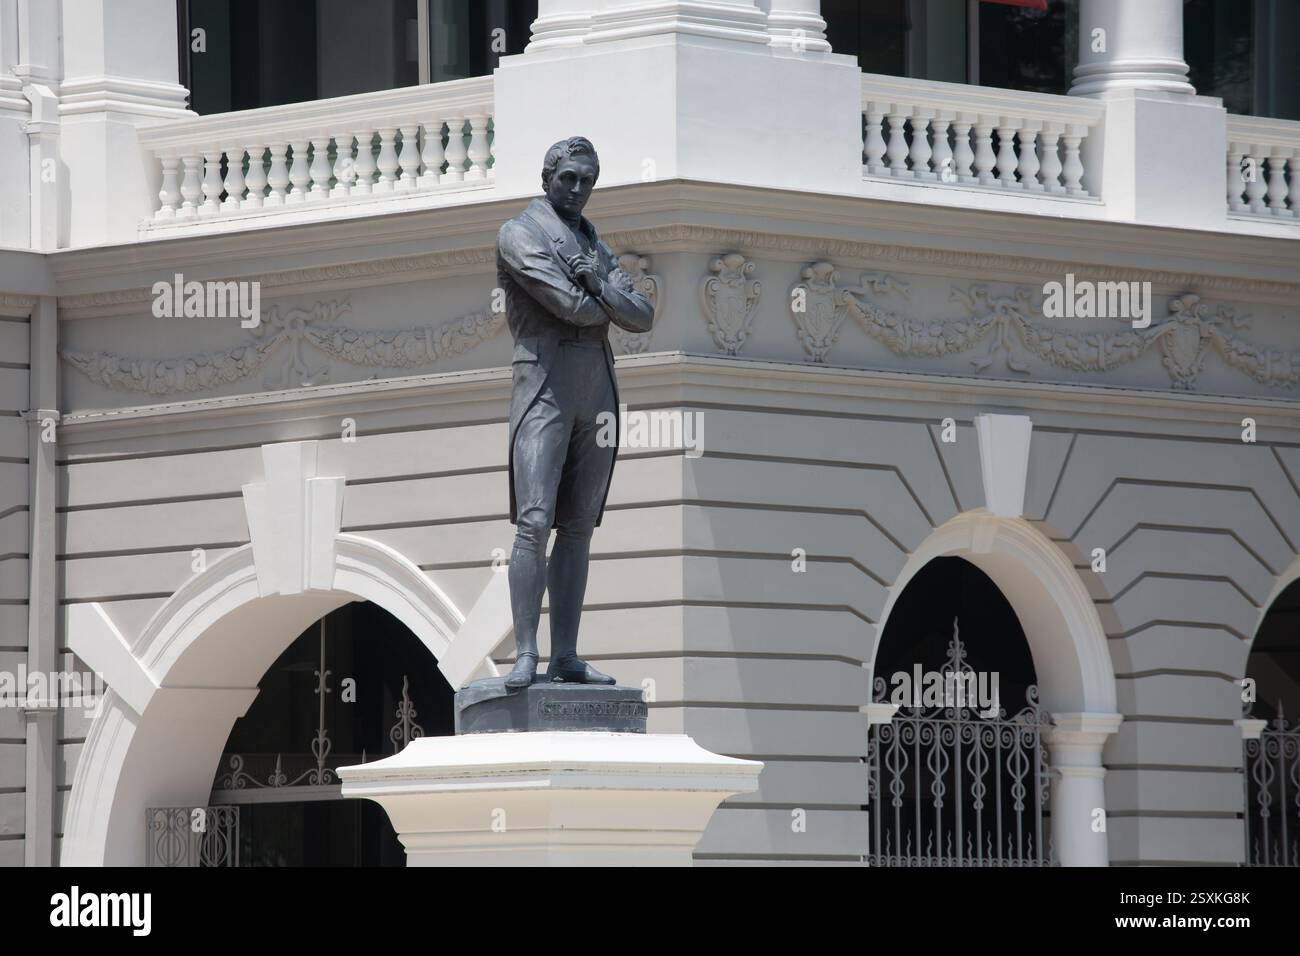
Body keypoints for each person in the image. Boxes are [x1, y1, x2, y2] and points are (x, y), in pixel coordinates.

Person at [495, 137, 655, 688]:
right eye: (569, 178)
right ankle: (524, 654)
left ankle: (565, 654)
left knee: (580, 525)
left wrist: (598, 287)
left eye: (588, 179)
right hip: (545, 385)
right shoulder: (520, 234)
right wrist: (600, 288)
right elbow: (568, 304)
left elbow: (643, 315)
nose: (579, 188)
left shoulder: (595, 243)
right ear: (548, 177)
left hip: (597, 387)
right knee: (535, 519)